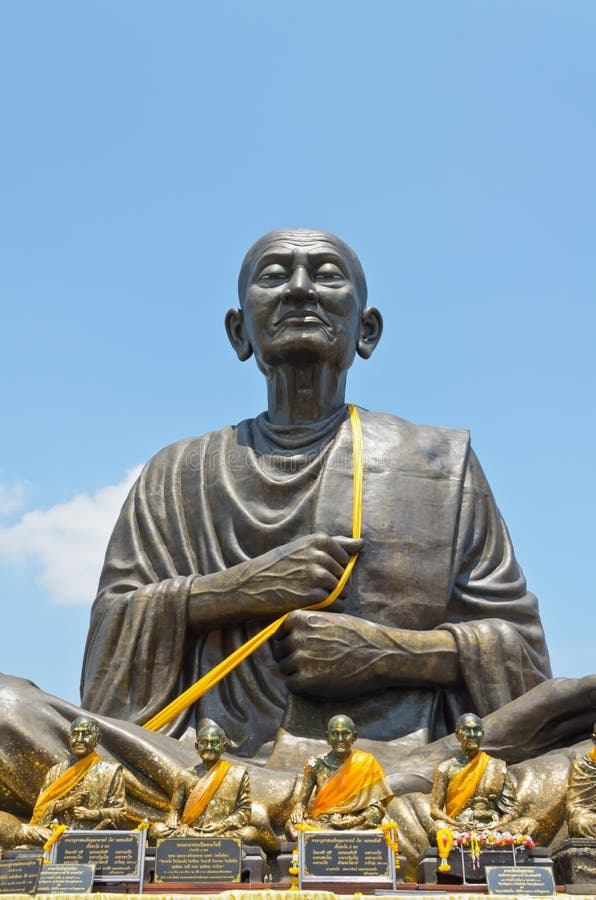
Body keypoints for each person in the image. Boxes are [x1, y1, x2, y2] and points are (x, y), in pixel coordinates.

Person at [80, 227, 551, 758]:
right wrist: (238, 589)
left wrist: (393, 653)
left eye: (327, 274)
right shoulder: (176, 473)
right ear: (239, 332)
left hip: (392, 766)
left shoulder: (436, 464)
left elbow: (521, 657)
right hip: (202, 760)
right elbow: (110, 653)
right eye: (274, 275)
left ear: (366, 330)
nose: (300, 289)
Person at [151, 722, 279, 853]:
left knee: (250, 834)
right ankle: (200, 838)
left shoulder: (237, 774)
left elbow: (244, 811)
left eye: (214, 743)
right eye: (204, 743)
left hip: (221, 832)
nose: (209, 747)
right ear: (197, 746)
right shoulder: (185, 776)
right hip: (190, 831)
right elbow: (175, 811)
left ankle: (200, 839)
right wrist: (173, 818)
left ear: (223, 747)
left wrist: (222, 826)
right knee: (156, 830)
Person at [12, 716, 125, 847]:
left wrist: (90, 814)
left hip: (91, 836)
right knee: (23, 831)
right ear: (69, 738)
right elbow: (39, 812)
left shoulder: (110, 770)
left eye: (86, 734)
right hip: (58, 834)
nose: (79, 739)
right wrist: (64, 804)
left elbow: (120, 815)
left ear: (97, 739)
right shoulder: (56, 771)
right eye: (75, 734)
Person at [428, 713, 537, 839]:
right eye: (467, 730)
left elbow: (512, 809)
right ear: (457, 735)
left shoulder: (495, 766)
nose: (472, 735)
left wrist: (499, 823)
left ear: (483, 734)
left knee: (530, 825)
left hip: (493, 828)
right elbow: (435, 809)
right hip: (459, 827)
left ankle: (489, 840)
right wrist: (455, 823)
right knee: (437, 828)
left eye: (476, 730)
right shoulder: (445, 768)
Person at [287, 714, 392, 839]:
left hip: (356, 824)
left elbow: (377, 807)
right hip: (322, 824)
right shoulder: (315, 764)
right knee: (291, 825)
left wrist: (357, 820)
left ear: (354, 737)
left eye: (345, 733)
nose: (340, 739)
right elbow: (301, 804)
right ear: (327, 737)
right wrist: (298, 809)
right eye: (335, 734)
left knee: (384, 825)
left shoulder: (366, 763)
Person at [567, 721, 596, 838]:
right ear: (594, 739)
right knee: (579, 824)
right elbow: (574, 805)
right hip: (592, 819)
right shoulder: (581, 765)